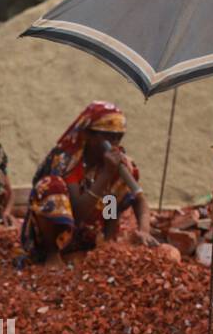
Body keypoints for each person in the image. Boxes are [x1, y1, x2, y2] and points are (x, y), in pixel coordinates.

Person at [20, 101, 157, 267]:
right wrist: (106, 174)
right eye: (107, 137)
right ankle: (52, 254)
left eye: (118, 137)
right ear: (87, 135)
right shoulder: (67, 160)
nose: (114, 143)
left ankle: (105, 245)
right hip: (57, 231)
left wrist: (144, 230)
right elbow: (78, 213)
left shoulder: (118, 162)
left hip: (89, 236)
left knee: (113, 192)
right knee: (52, 186)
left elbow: (137, 199)